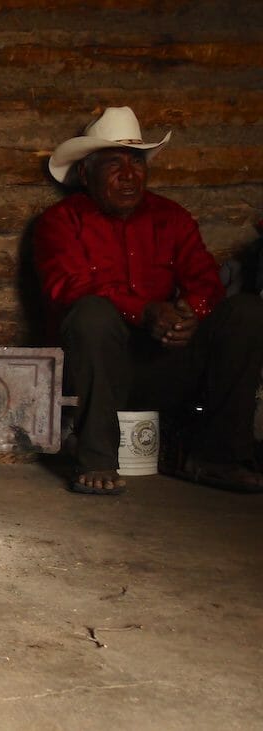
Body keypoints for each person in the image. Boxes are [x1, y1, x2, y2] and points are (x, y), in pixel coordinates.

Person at [34, 106, 263, 495]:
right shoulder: (60, 222)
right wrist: (144, 311)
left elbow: (206, 280)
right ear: (86, 173)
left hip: (166, 365)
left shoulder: (170, 217)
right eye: (113, 164)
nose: (129, 175)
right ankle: (96, 460)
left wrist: (191, 312)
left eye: (136, 162)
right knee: (91, 313)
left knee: (247, 312)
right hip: (99, 373)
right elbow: (67, 287)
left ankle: (216, 457)